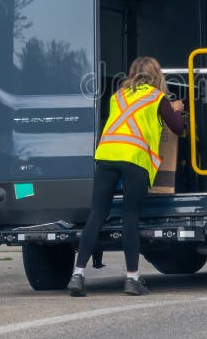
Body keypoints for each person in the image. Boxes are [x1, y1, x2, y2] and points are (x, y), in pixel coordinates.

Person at [68, 56, 185, 297]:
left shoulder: (117, 96)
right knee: (130, 216)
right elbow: (177, 129)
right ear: (156, 75)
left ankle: (78, 275)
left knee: (97, 214)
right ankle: (132, 279)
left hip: (107, 155)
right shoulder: (157, 97)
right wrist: (178, 111)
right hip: (134, 158)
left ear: (133, 73)